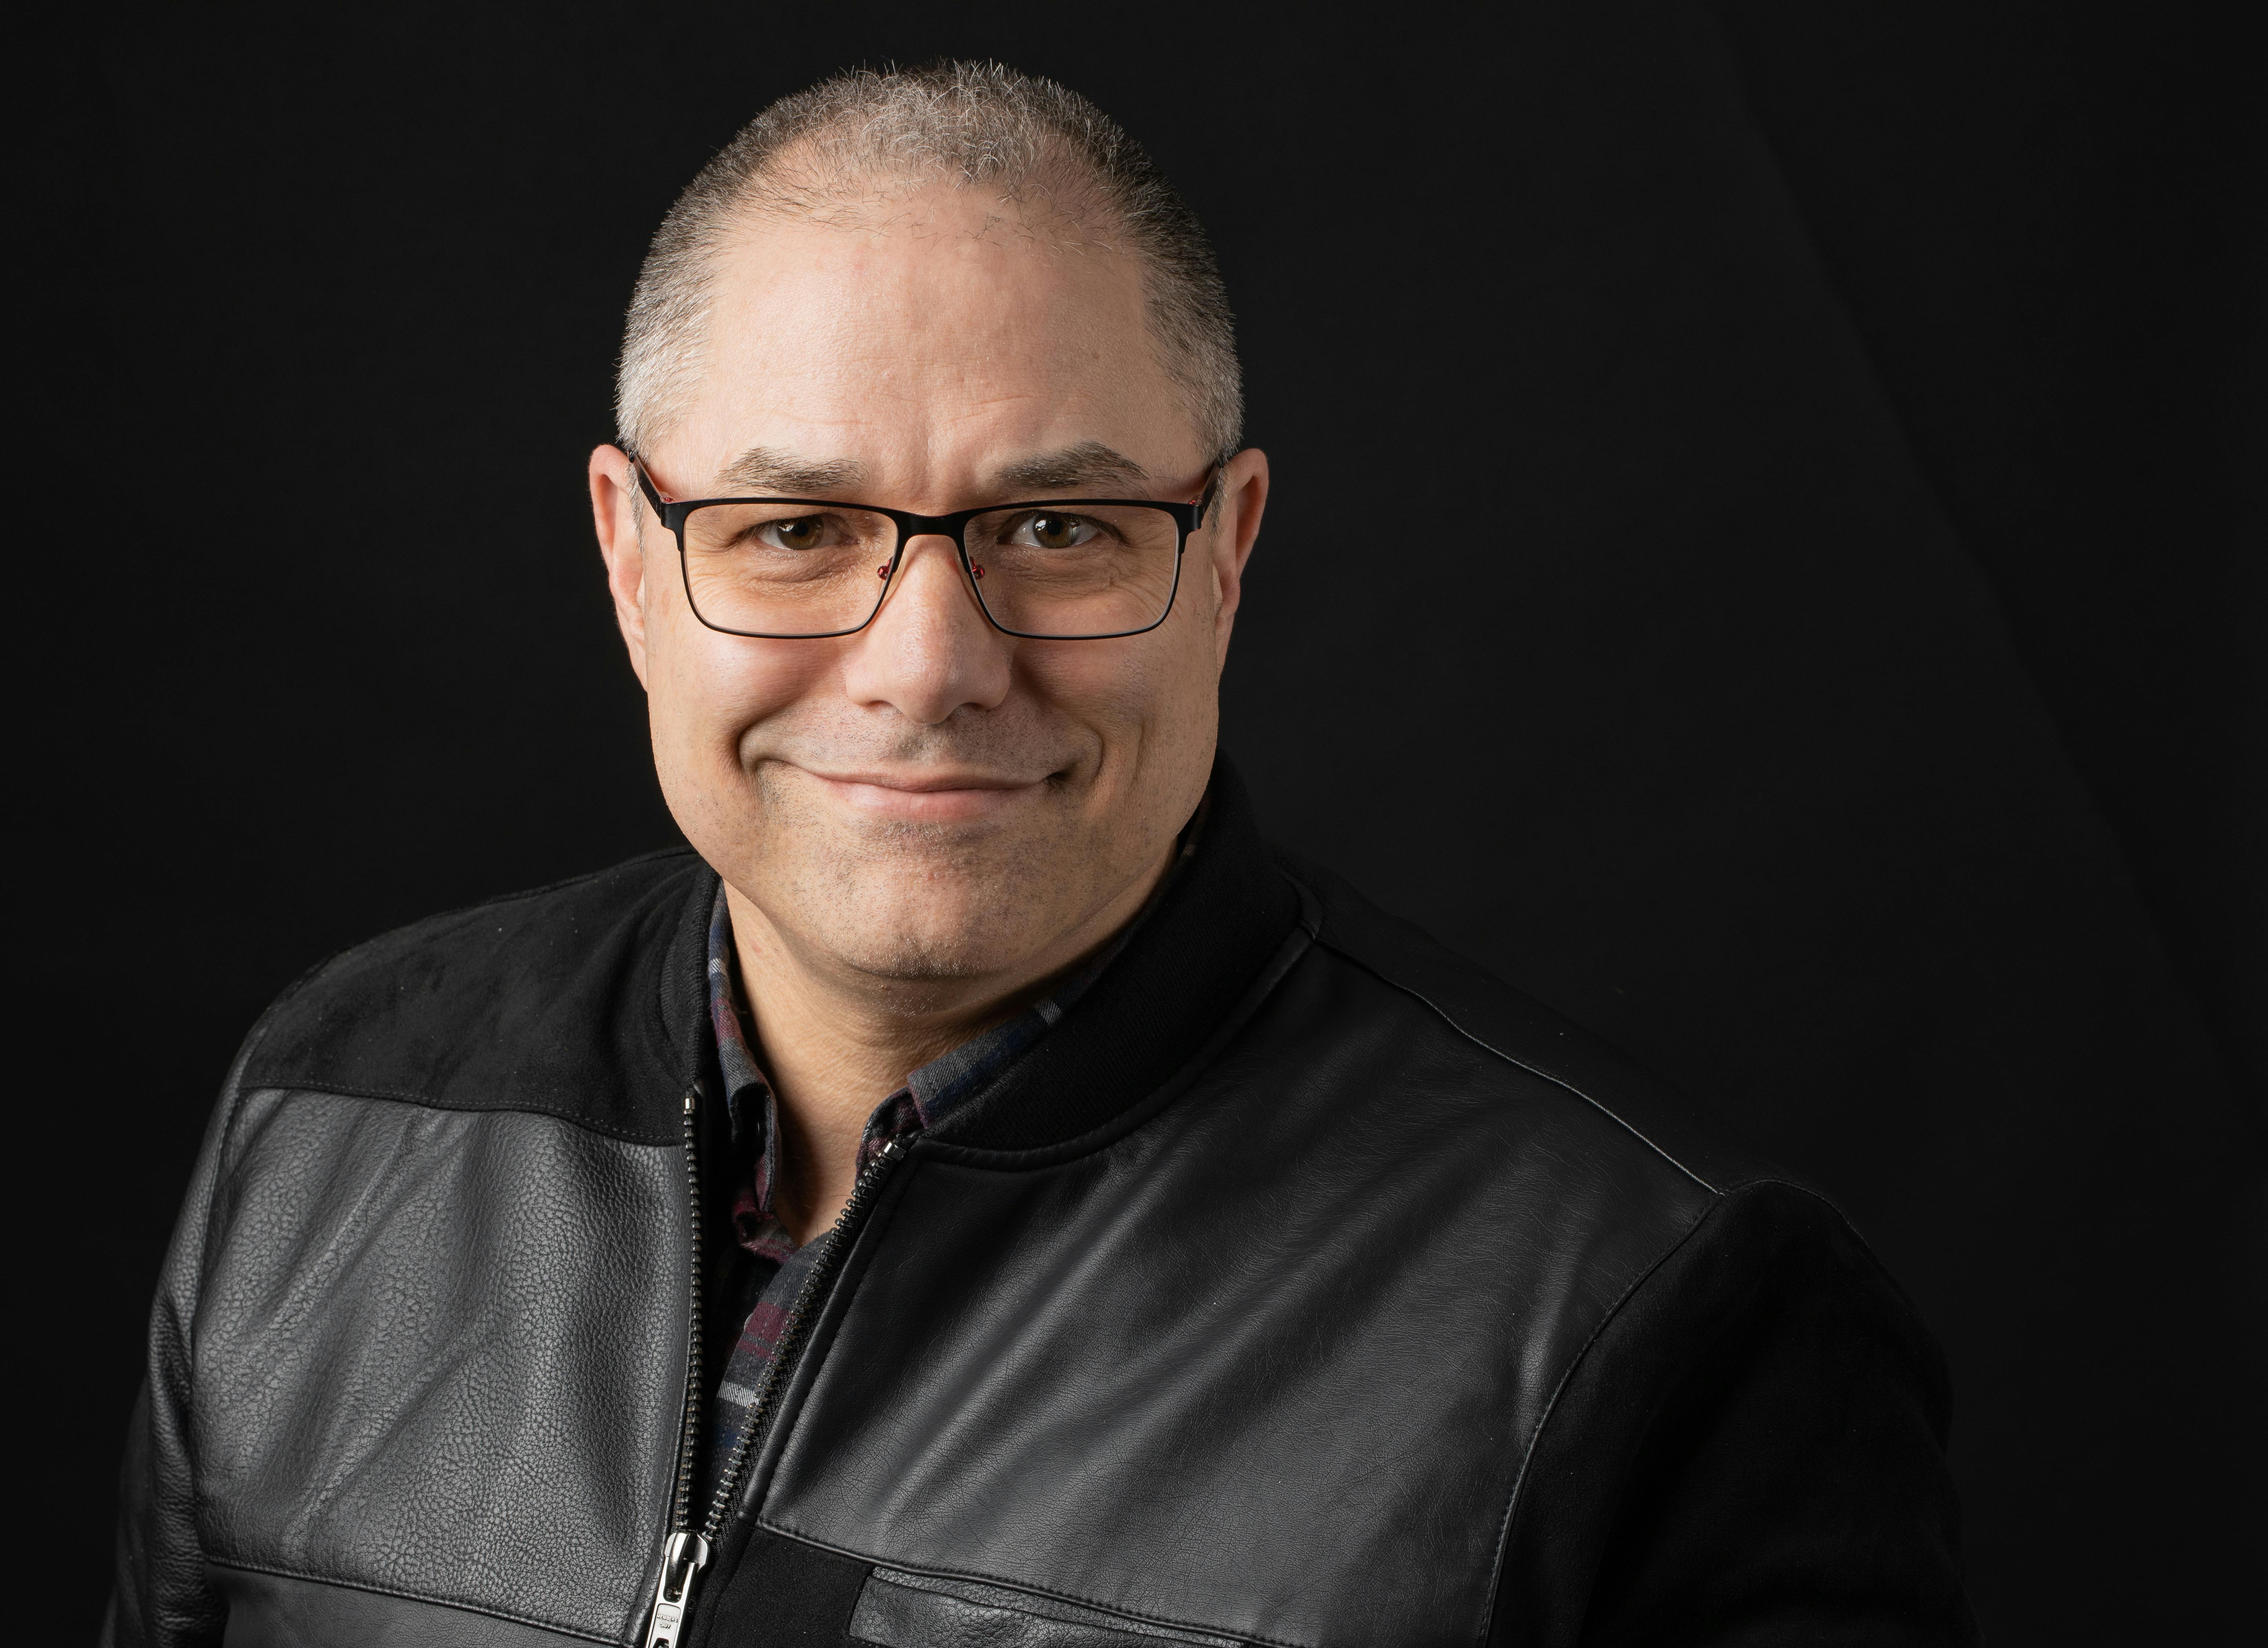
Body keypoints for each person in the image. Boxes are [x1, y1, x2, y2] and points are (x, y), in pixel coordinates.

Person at [107, 62, 1973, 1648]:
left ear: (1226, 553)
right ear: (628, 556)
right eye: (795, 529)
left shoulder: (1652, 1315)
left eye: (1062, 526)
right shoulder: (332, 1111)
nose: (930, 663)